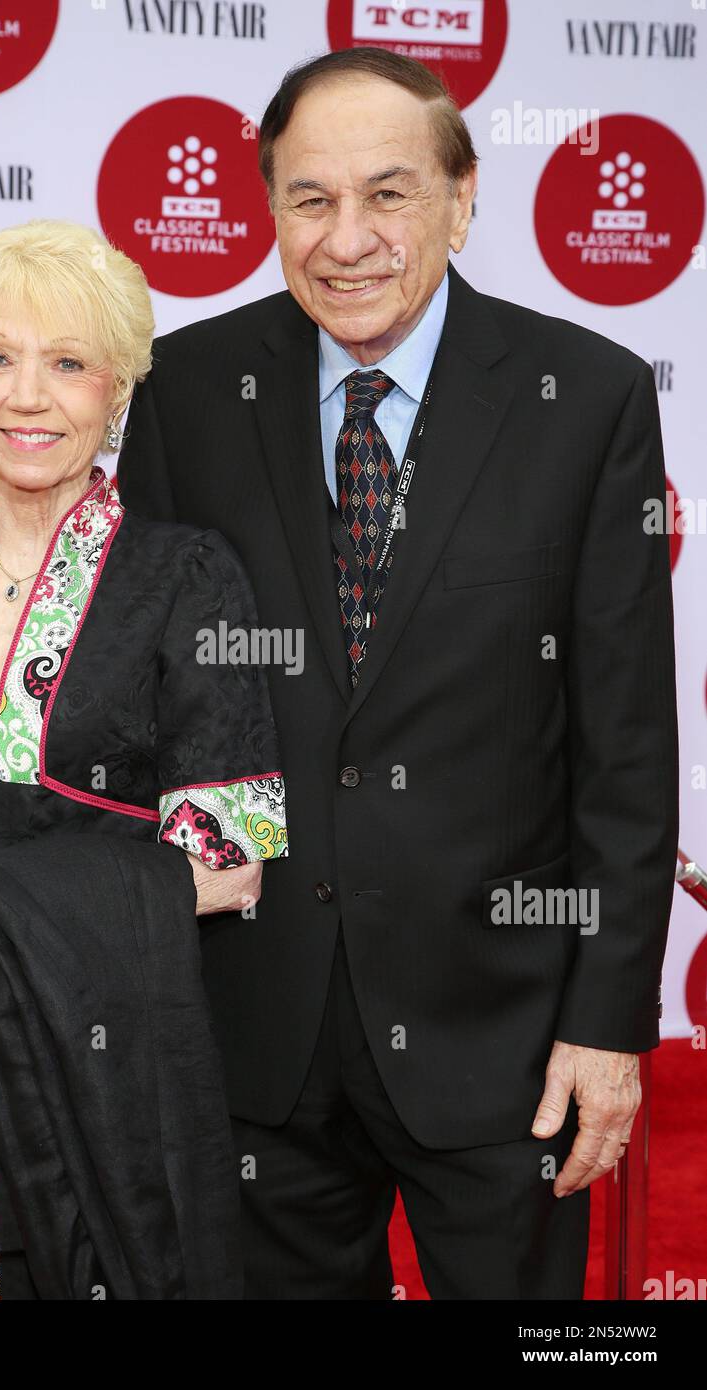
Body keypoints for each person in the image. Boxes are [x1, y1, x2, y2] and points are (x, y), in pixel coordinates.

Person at [116, 48, 679, 1299]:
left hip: (508, 1036)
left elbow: (627, 746)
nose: (347, 238)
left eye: (389, 193)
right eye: (310, 199)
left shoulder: (582, 398)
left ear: (463, 198)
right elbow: (142, 714)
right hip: (258, 1031)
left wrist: (607, 1022)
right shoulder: (187, 393)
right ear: (268, 211)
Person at [0, 219, 288, 1299]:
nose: (29, 397)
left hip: (101, 1052)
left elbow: (230, 865)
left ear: (116, 391)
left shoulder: (187, 575)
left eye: (67, 364)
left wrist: (1, 922)